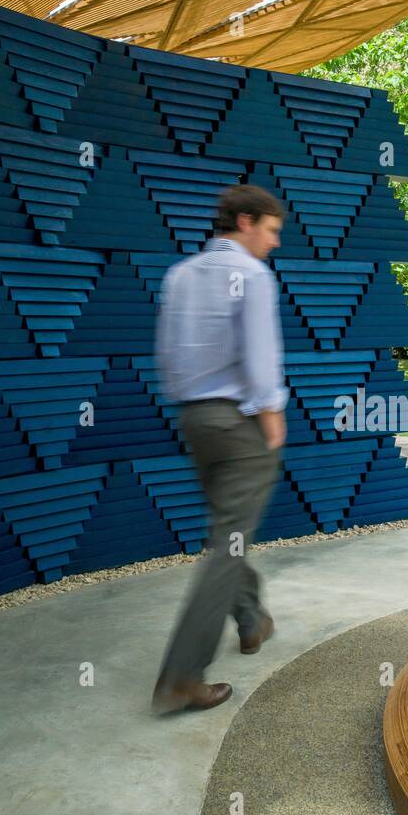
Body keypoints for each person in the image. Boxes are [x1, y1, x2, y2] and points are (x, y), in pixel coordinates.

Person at [151, 184, 287, 714]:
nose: (274, 244)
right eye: (272, 231)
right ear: (247, 221)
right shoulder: (252, 277)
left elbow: (169, 356)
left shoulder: (180, 276)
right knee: (227, 545)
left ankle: (252, 621)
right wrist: (272, 416)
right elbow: (259, 356)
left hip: (195, 421)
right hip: (240, 427)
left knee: (226, 534)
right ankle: (181, 677)